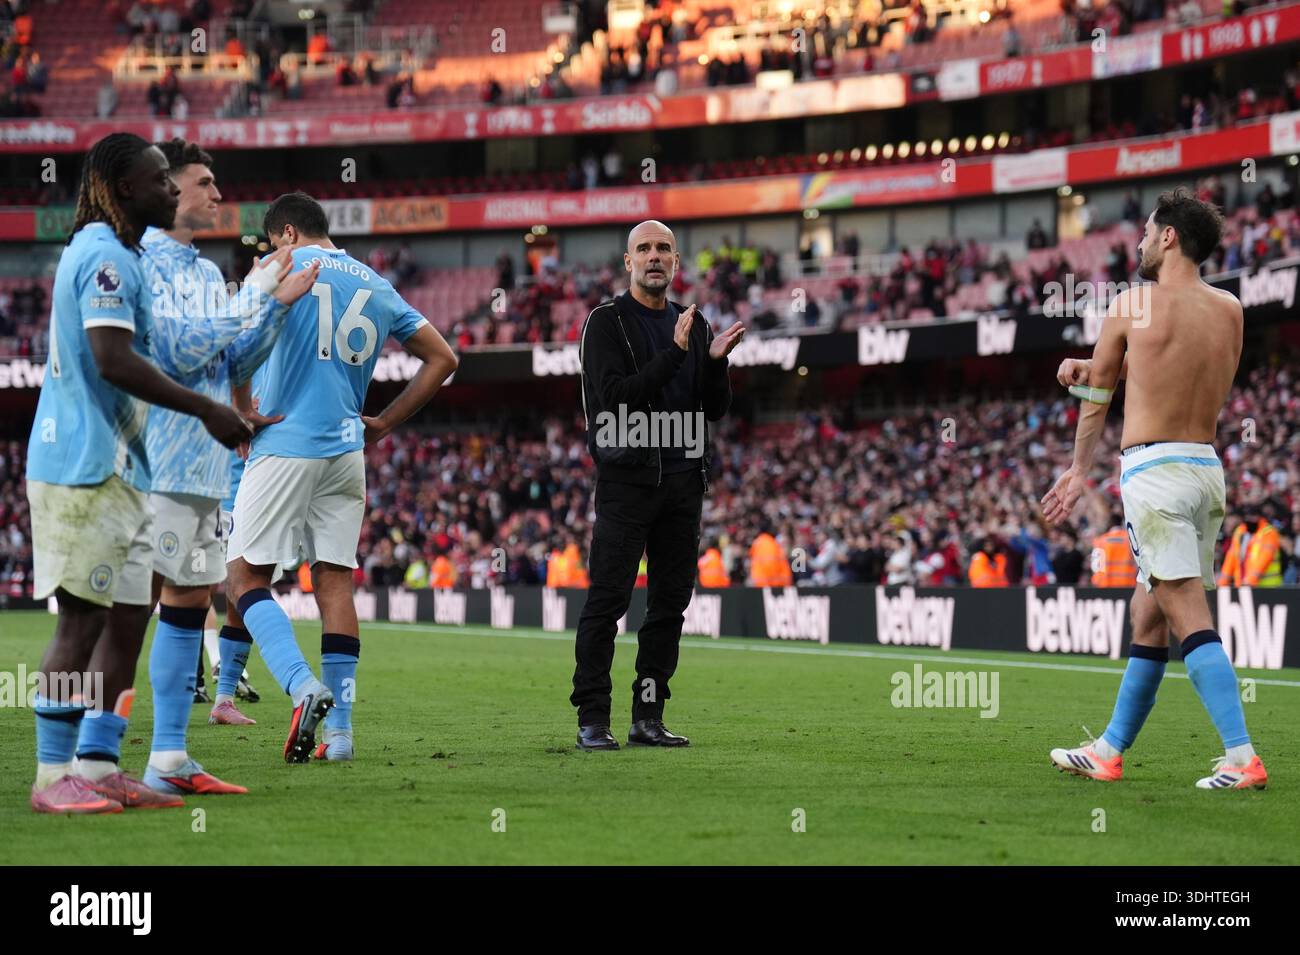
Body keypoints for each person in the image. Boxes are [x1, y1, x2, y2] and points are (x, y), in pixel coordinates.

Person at [25, 133, 251, 814]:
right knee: (82, 623)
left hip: (125, 466)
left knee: (127, 616)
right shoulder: (101, 255)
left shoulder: (122, 255)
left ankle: (97, 763)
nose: (170, 191)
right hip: (83, 463)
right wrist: (207, 410)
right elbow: (112, 359)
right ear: (126, 188)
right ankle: (50, 774)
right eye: (160, 181)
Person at [1043, 186, 1267, 790]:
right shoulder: (1230, 310)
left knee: (1186, 612)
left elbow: (1100, 398)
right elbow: (1179, 369)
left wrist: (1078, 468)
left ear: (1169, 236)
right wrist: (1093, 368)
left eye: (1146, 231)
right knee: (1149, 615)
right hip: (1205, 468)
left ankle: (1242, 755)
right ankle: (1111, 750)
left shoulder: (1132, 303)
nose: (1141, 242)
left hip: (1154, 472)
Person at [225, 192, 458, 763]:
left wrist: (241, 410)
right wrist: (382, 424)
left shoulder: (279, 269)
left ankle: (303, 686)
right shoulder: (375, 283)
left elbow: (237, 352)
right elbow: (445, 359)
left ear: (284, 233)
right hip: (347, 450)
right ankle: (342, 737)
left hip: (283, 443)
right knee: (333, 581)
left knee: (242, 577)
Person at [138, 138, 318, 794]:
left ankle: (169, 759)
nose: (218, 195)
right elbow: (184, 348)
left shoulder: (206, 272)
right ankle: (89, 759)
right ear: (166, 191)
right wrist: (258, 291)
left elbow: (229, 362)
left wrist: (275, 305)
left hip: (202, 464)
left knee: (187, 605)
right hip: (154, 458)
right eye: (204, 183)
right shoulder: (143, 262)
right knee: (123, 610)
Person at [570, 219, 745, 751]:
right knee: (609, 601)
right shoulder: (605, 323)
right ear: (628, 263)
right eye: (643, 248)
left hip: (684, 482)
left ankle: (648, 716)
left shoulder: (696, 324)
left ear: (676, 262)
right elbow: (618, 398)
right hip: (628, 480)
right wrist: (673, 353)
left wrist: (715, 366)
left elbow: (713, 408)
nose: (653, 256)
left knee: (669, 605)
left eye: (663, 248)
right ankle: (592, 720)